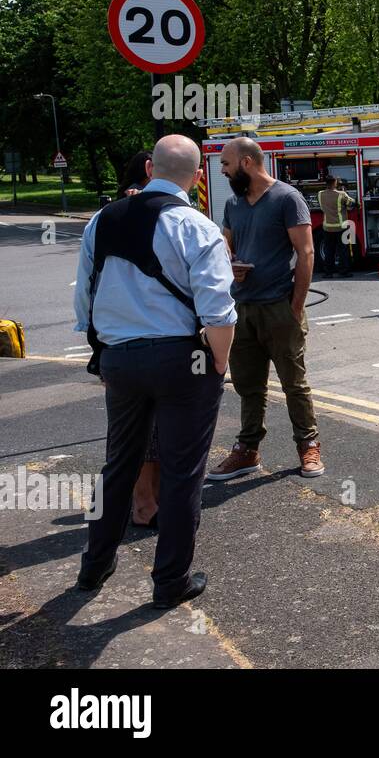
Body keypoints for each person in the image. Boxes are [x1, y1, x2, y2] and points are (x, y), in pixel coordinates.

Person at [72, 135, 236, 608]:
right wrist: (218, 365)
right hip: (184, 359)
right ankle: (170, 583)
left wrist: (101, 351)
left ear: (149, 169)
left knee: (116, 466)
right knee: (183, 473)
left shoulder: (102, 220)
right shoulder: (195, 226)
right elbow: (218, 312)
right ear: (197, 176)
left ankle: (94, 566)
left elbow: (84, 294)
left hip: (119, 357)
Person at [208, 137, 324, 481]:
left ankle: (308, 446)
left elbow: (305, 252)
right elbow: (225, 247)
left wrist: (296, 306)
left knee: (294, 384)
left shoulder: (287, 198)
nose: (224, 171)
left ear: (246, 162)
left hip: (278, 307)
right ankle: (247, 451)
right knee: (248, 385)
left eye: (226, 164)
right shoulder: (233, 203)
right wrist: (232, 265)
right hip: (242, 307)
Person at [115, 149, 163, 527]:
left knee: (141, 431)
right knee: (146, 432)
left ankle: (147, 500)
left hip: (121, 341)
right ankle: (144, 504)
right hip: (148, 338)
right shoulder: (137, 209)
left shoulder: (117, 214)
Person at [317, 174, 357, 277]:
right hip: (341, 227)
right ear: (335, 183)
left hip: (327, 228)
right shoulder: (341, 194)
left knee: (329, 251)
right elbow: (352, 203)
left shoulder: (320, 194)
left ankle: (328, 273)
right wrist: (345, 191)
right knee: (343, 250)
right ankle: (343, 271)